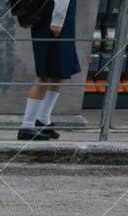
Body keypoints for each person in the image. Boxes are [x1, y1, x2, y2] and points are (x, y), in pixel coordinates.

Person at [21, 0, 78, 140]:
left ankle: (42, 119)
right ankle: (27, 126)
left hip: (58, 17)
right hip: (54, 19)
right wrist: (57, 21)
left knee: (59, 73)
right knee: (45, 74)